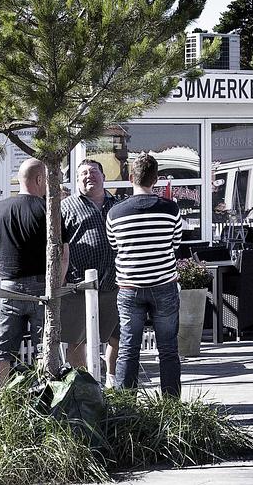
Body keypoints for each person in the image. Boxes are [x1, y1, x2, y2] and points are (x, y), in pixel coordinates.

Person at [0, 158, 66, 388]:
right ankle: (45, 397)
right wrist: (59, 282)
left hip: (8, 287)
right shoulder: (48, 210)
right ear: (39, 180)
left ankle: (0, 400)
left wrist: (0, 275)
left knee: (2, 350)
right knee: (45, 349)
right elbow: (63, 252)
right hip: (42, 288)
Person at [108, 152, 184, 397]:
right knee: (168, 349)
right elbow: (175, 243)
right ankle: (171, 404)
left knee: (129, 349)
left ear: (131, 177)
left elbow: (114, 246)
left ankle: (125, 405)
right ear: (157, 179)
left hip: (130, 287)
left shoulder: (115, 213)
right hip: (164, 284)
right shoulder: (170, 209)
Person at [61, 158, 120, 377]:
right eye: (83, 174)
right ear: (76, 180)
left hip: (115, 284)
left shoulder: (118, 206)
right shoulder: (65, 207)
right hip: (78, 286)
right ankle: (82, 386)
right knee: (77, 340)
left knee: (118, 338)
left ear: (104, 177)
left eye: (93, 172)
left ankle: (114, 383)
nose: (89, 176)